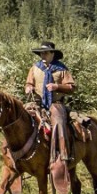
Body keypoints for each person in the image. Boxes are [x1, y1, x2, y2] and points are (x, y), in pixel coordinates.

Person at [25, 40, 73, 169]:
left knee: (58, 122)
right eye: (41, 53)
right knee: (19, 116)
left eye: (46, 53)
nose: (43, 56)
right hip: (37, 102)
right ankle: (19, 152)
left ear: (53, 54)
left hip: (55, 103)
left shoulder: (61, 69)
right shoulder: (35, 68)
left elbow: (72, 87)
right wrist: (28, 88)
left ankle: (63, 155)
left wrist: (57, 86)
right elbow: (29, 83)